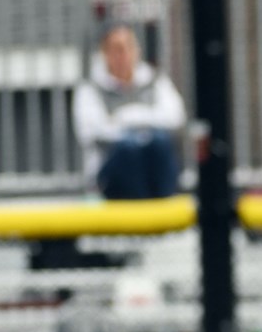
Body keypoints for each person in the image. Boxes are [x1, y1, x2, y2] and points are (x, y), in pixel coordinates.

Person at [72, 22, 188, 200]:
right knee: (128, 148)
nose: (123, 55)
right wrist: (142, 129)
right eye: (116, 49)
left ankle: (164, 207)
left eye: (128, 47)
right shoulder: (90, 89)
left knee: (159, 142)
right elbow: (92, 132)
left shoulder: (156, 80)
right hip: (111, 176)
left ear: (137, 50)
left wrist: (126, 119)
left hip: (155, 165)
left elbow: (175, 118)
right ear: (105, 53)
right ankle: (144, 218)